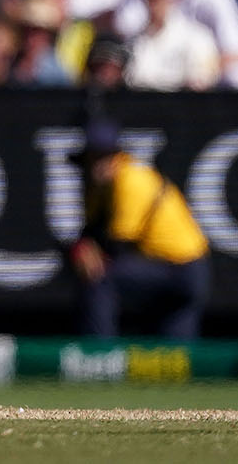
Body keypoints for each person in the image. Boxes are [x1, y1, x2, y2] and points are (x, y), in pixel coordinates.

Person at [68, 119, 211, 339]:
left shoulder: (130, 179)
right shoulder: (100, 188)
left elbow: (118, 245)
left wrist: (85, 251)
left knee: (100, 277)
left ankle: (99, 357)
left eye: (102, 157)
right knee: (174, 359)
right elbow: (89, 233)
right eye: (92, 158)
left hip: (184, 270)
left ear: (116, 156)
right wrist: (82, 248)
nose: (96, 165)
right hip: (171, 268)